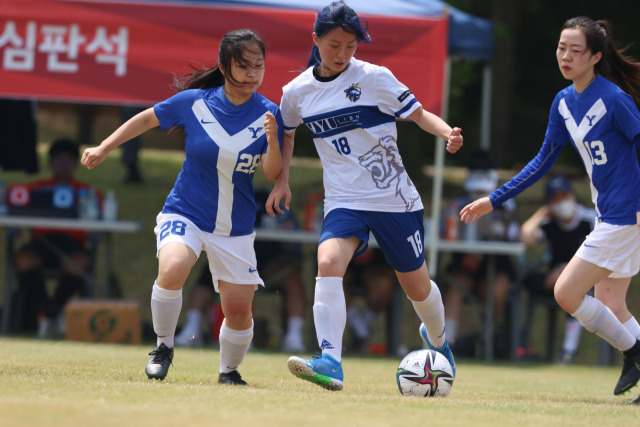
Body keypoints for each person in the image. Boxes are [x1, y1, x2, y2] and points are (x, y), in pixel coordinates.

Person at [266, 1, 463, 391]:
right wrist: (281, 180)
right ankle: (330, 361)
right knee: (328, 261)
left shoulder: (374, 77)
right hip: (344, 200)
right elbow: (287, 132)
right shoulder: (297, 91)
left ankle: (439, 343)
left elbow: (418, 113)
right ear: (316, 40)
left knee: (417, 287)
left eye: (351, 46)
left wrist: (446, 133)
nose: (342, 54)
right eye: (334, 45)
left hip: (394, 199)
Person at [81, 29, 283, 386]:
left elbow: (270, 171)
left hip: (234, 226)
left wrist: (271, 139)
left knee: (238, 310)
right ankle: (163, 348)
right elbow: (145, 118)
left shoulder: (270, 114)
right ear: (224, 67)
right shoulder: (194, 102)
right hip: (185, 211)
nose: (253, 73)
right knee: (172, 267)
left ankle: (229, 372)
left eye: (259, 66)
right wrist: (104, 147)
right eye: (244, 65)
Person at [460, 17, 640, 396]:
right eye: (562, 48)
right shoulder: (563, 103)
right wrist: (494, 199)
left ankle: (634, 352)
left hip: (628, 215)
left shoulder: (614, 100)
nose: (566, 56)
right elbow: (541, 162)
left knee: (565, 292)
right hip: (609, 213)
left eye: (576, 50)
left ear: (594, 57)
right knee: (611, 302)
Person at [175, 188, 306, 352]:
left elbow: (293, 243)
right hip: (233, 254)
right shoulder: (222, 199)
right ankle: (192, 328)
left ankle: (294, 336)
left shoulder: (277, 200)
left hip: (270, 258)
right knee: (209, 270)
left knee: (291, 276)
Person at [12, 138, 100, 337]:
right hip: (42, 242)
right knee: (24, 261)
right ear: (51, 162)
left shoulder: (87, 192)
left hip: (72, 244)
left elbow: (101, 221)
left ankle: (49, 314)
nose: (62, 164)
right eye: (58, 159)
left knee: (77, 264)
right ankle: (49, 312)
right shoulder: (35, 188)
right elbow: (16, 211)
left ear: (75, 164)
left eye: (68, 160)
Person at [441, 150, 520, 356]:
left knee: (497, 288)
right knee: (456, 284)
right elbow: (445, 235)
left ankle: (488, 337)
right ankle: (446, 345)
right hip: (463, 265)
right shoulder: (455, 205)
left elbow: (513, 240)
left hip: (497, 265)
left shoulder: (505, 206)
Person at [520, 175, 596, 364]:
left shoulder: (590, 220)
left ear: (572, 195)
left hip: (586, 279)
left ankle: (568, 352)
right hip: (553, 282)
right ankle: (522, 347)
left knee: (574, 288)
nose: (561, 202)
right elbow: (525, 238)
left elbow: (602, 253)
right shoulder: (550, 224)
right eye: (555, 199)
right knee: (527, 279)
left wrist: (566, 270)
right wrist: (542, 214)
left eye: (564, 196)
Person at [343, 247, 397, 353]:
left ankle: (360, 331)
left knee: (385, 284)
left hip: (377, 262)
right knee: (331, 280)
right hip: (344, 261)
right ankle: (361, 331)